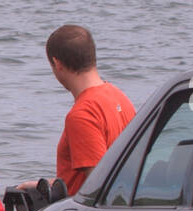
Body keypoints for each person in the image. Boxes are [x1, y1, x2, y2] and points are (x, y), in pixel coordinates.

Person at [40, 24, 136, 195]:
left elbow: (99, 186)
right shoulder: (120, 97)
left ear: (57, 63)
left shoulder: (82, 114)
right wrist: (46, 185)